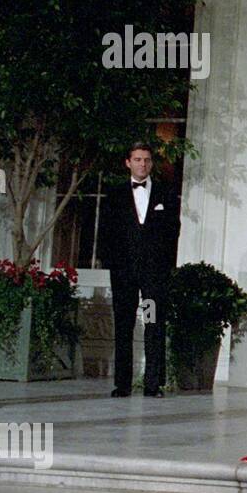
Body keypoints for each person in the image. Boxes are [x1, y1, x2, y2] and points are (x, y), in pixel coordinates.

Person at [98, 143, 181, 398]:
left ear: (151, 163)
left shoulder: (166, 193)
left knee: (154, 323)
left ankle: (153, 383)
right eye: (137, 159)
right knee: (123, 325)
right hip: (123, 272)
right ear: (128, 162)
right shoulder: (114, 193)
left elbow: (173, 231)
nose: (142, 164)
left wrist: (164, 264)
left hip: (154, 273)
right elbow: (106, 231)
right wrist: (111, 263)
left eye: (146, 160)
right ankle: (122, 384)